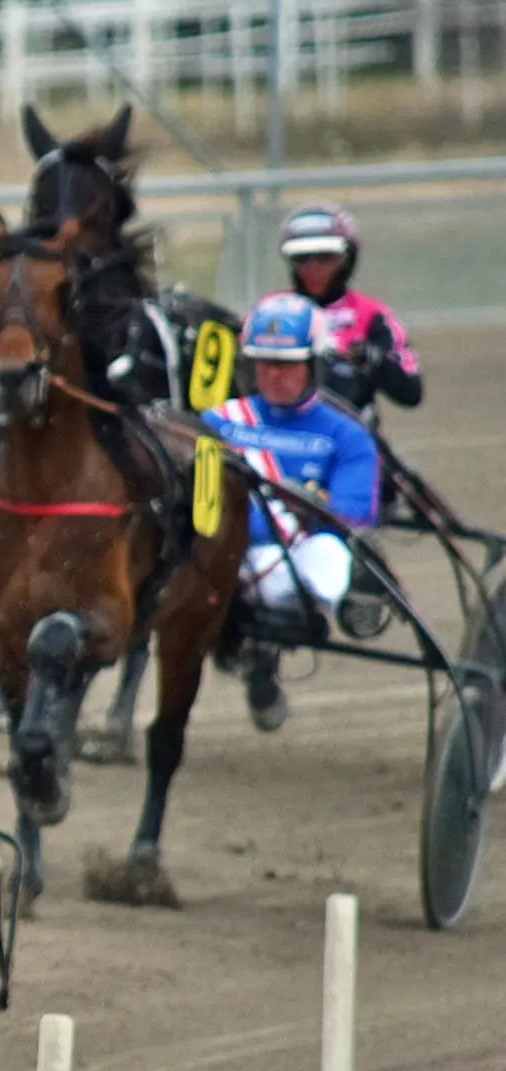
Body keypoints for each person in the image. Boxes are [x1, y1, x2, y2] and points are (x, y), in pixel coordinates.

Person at [201, 293, 380, 732]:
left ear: (314, 366)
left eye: (287, 364)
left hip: (299, 558)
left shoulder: (347, 436)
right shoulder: (218, 423)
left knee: (331, 564)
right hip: (225, 554)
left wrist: (311, 507)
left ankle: (257, 644)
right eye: (263, 363)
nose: (273, 375)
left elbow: (354, 513)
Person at [278, 205, 421, 420]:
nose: (313, 267)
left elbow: (412, 393)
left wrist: (374, 359)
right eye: (302, 258)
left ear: (348, 257)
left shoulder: (372, 314)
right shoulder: (269, 312)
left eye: (325, 257)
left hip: (354, 437)